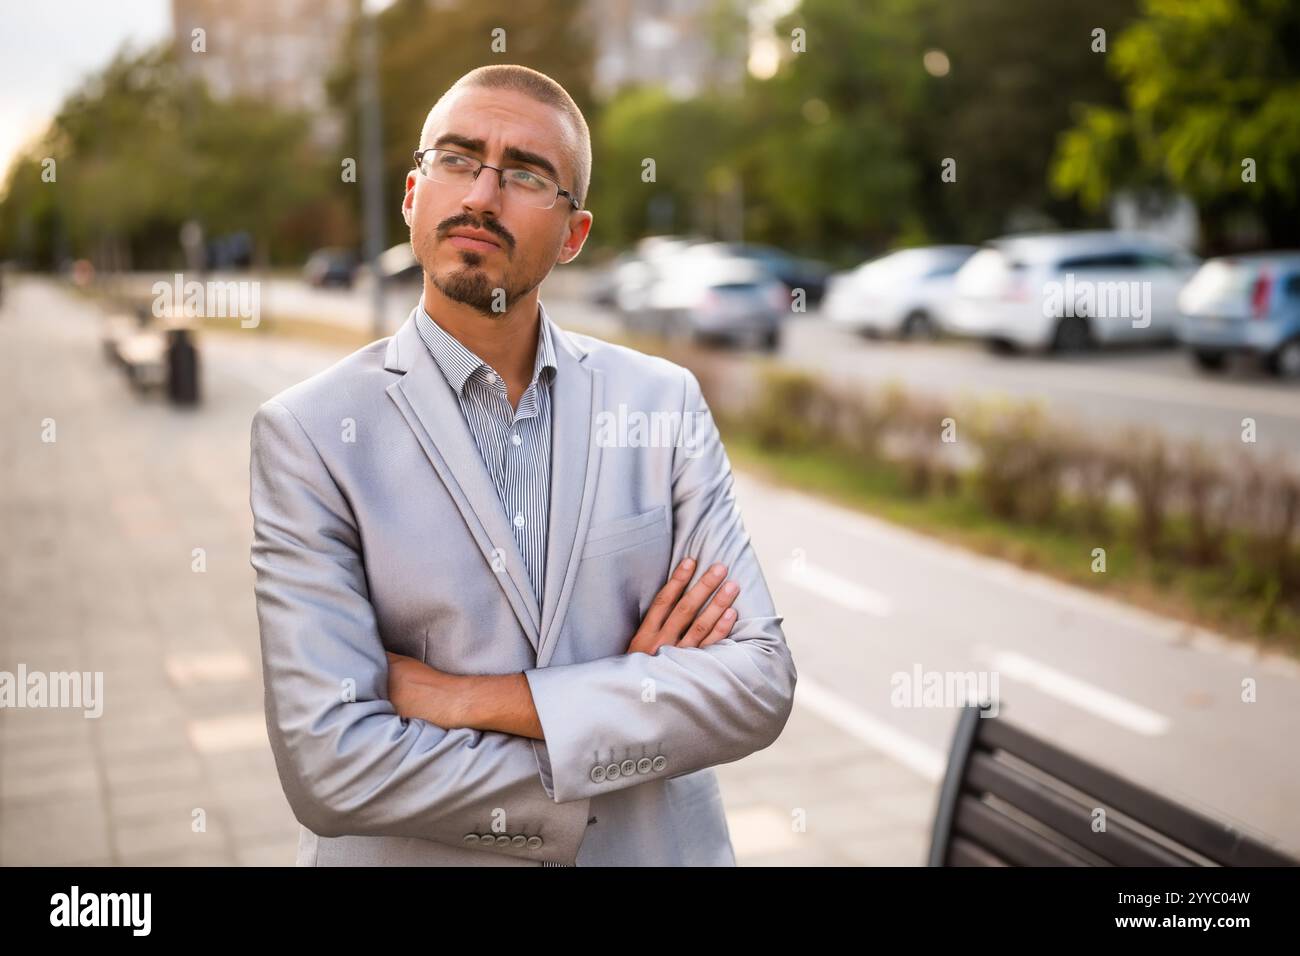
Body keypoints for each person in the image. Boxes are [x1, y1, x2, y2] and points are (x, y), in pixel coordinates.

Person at [248, 64, 796, 866]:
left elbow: (756, 685)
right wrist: (619, 722)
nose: (481, 195)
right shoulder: (308, 433)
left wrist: (467, 700)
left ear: (574, 234)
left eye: (528, 175)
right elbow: (334, 769)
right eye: (458, 160)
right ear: (412, 194)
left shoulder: (660, 402)